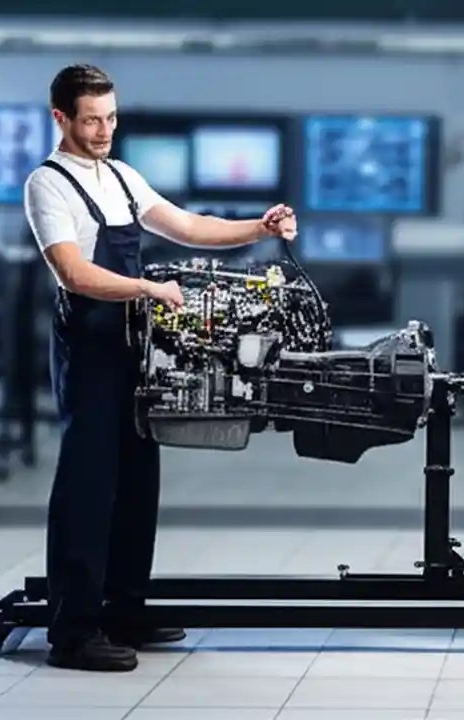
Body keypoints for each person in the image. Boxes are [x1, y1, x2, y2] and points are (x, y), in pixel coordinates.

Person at [24, 64, 298, 672]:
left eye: (111, 118)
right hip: (91, 349)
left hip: (135, 350)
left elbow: (188, 225)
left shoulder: (121, 177)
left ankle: (124, 610)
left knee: (137, 481)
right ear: (61, 118)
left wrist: (260, 226)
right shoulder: (49, 185)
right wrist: (148, 288)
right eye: (91, 119)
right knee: (88, 485)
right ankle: (72, 631)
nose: (103, 131)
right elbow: (73, 272)